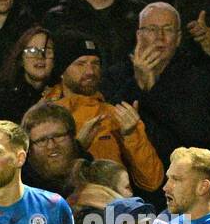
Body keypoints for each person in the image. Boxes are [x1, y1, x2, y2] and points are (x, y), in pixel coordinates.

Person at [43, 31, 165, 194]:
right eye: (81, 64)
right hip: (67, 207)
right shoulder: (44, 116)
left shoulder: (115, 114)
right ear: (62, 71)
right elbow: (40, 179)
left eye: (95, 63)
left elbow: (152, 180)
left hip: (115, 209)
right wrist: (77, 147)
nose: (90, 71)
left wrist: (131, 134)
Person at [103, 2, 210, 163]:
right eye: (152, 29)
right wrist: (138, 83)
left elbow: (197, 135)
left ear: (178, 39)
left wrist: (153, 87)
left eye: (168, 30)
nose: (160, 36)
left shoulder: (197, 75)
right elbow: (109, 123)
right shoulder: (116, 74)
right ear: (139, 35)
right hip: (126, 168)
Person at [0, 25, 56, 123]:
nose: (40, 57)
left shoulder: (62, 94)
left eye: (47, 51)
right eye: (32, 51)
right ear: (20, 59)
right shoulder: (1, 99)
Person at [21, 100, 88, 196]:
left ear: (72, 137)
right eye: (42, 140)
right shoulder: (19, 190)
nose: (51, 145)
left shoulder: (91, 173)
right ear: (30, 149)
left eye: (58, 136)